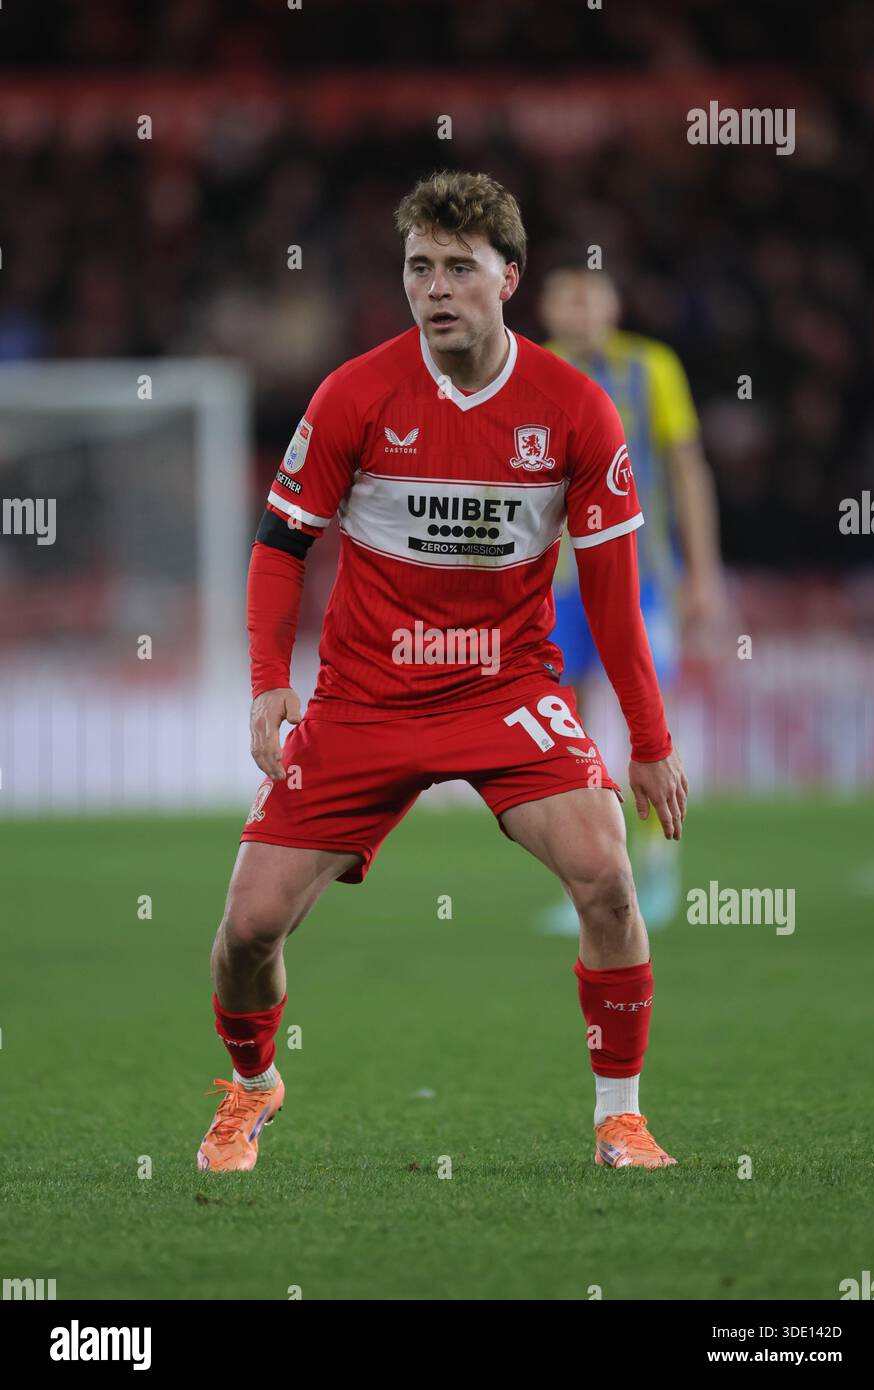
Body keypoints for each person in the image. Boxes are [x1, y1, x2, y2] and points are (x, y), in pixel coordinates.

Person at [197, 170, 687, 1174]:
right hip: (363, 699)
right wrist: (266, 679)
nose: (435, 289)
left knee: (606, 878)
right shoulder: (355, 394)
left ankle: (620, 1117)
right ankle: (251, 1085)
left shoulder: (577, 410)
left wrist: (649, 741)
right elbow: (278, 545)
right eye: (419, 267)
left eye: (459, 268)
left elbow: (612, 596)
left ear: (508, 278)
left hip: (505, 691)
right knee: (246, 930)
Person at [538, 269, 722, 930]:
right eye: (565, 296)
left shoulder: (653, 368)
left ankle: (662, 867)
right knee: (570, 726)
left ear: (615, 305)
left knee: (650, 717)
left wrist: (703, 571)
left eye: (589, 294)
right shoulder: (530, 369)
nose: (578, 308)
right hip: (559, 582)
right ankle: (588, 877)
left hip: (643, 576)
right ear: (546, 308)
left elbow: (685, 467)